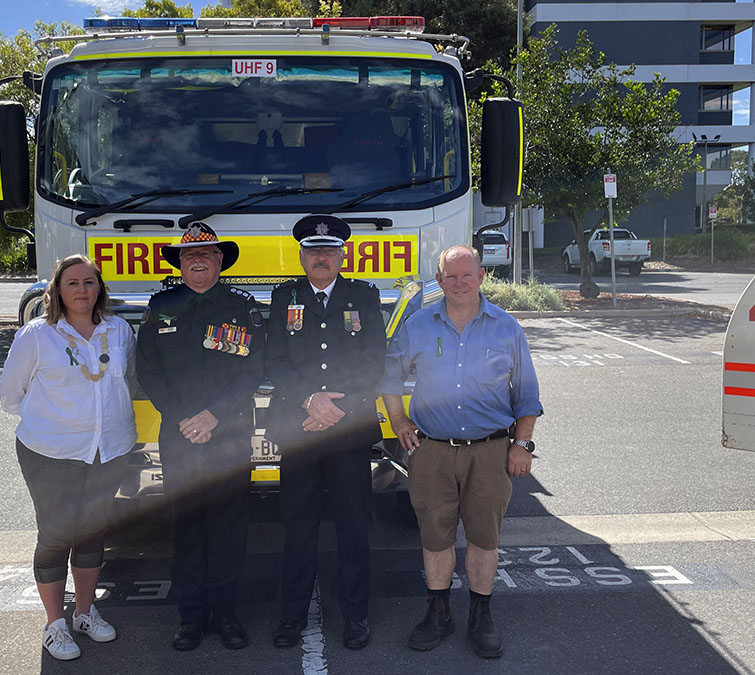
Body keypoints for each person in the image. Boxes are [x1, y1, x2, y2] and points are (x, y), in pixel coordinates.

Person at [380, 244, 542, 660]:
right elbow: (388, 377)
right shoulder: (417, 326)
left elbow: (526, 394)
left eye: (466, 275)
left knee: (484, 538)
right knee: (435, 536)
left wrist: (521, 445)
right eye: (450, 276)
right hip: (431, 450)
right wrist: (399, 422)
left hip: (490, 452)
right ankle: (438, 613)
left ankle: (480, 615)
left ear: (482, 277)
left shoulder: (506, 328)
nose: (459, 283)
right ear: (439, 282)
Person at [0, 254, 137, 661]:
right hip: (50, 452)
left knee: (93, 530)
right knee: (57, 534)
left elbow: (126, 381)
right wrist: (55, 422)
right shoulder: (37, 336)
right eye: (73, 283)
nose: (82, 290)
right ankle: (54, 624)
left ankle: (84, 612)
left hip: (109, 448)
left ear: (100, 289)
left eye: (90, 282)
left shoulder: (120, 330)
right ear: (58, 289)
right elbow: (11, 394)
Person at [135, 222, 265, 652]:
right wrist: (183, 417)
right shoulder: (162, 305)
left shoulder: (241, 307)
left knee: (229, 530)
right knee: (187, 529)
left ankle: (226, 614)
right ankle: (190, 618)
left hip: (228, 435)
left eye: (206, 256)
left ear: (220, 261)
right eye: (190, 257)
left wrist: (213, 416)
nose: (198, 263)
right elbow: (148, 370)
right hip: (180, 437)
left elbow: (253, 370)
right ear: (181, 264)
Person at [264, 214, 386, 650]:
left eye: (330, 251)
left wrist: (338, 407)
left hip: (348, 432)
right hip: (299, 430)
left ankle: (355, 616)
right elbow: (273, 359)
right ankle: (291, 615)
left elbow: (374, 359)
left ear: (342, 255)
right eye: (314, 251)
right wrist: (308, 401)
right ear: (302, 256)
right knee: (298, 527)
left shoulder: (363, 297)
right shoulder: (285, 297)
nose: (322, 257)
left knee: (353, 526)